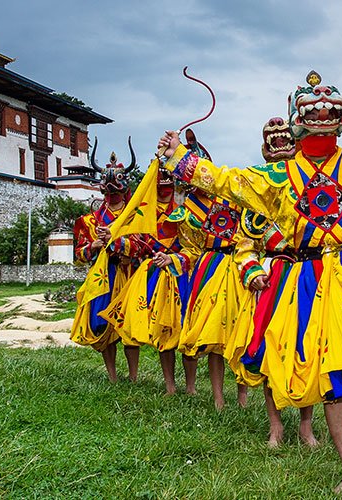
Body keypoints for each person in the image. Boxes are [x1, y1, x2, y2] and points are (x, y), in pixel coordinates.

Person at [156, 70, 342, 492]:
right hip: (308, 280)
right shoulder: (276, 178)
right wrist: (179, 158)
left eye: (330, 112)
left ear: (340, 121)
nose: (322, 118)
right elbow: (226, 181)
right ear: (299, 121)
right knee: (329, 377)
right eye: (314, 113)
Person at [229, 117, 317, 447]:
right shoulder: (257, 197)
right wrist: (252, 271)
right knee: (269, 353)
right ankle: (276, 426)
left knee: (306, 350)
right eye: (273, 144)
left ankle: (306, 426)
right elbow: (244, 245)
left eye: (286, 143)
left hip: (308, 276)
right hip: (273, 282)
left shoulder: (311, 188)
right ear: (265, 152)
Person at [173, 129, 267, 410]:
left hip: (238, 264)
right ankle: (218, 398)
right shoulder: (188, 208)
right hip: (209, 268)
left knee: (241, 330)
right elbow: (190, 247)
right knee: (214, 338)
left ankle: (242, 397)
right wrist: (176, 259)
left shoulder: (232, 196)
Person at [101, 168, 198, 395]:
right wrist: (114, 241)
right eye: (160, 180)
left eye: (168, 180)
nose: (164, 185)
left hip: (183, 275)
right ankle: (170, 385)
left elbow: (195, 247)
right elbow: (136, 245)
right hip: (155, 276)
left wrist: (176, 258)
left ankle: (191, 387)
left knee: (187, 330)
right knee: (163, 331)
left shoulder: (187, 210)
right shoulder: (145, 213)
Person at [70, 139, 154, 383]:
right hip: (102, 277)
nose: (111, 192)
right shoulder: (90, 221)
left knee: (128, 326)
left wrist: (117, 242)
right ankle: (112, 375)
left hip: (129, 275)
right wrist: (93, 246)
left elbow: (145, 247)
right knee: (102, 324)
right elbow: (79, 254)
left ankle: (134, 375)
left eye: (115, 187)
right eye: (107, 188)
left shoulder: (135, 217)